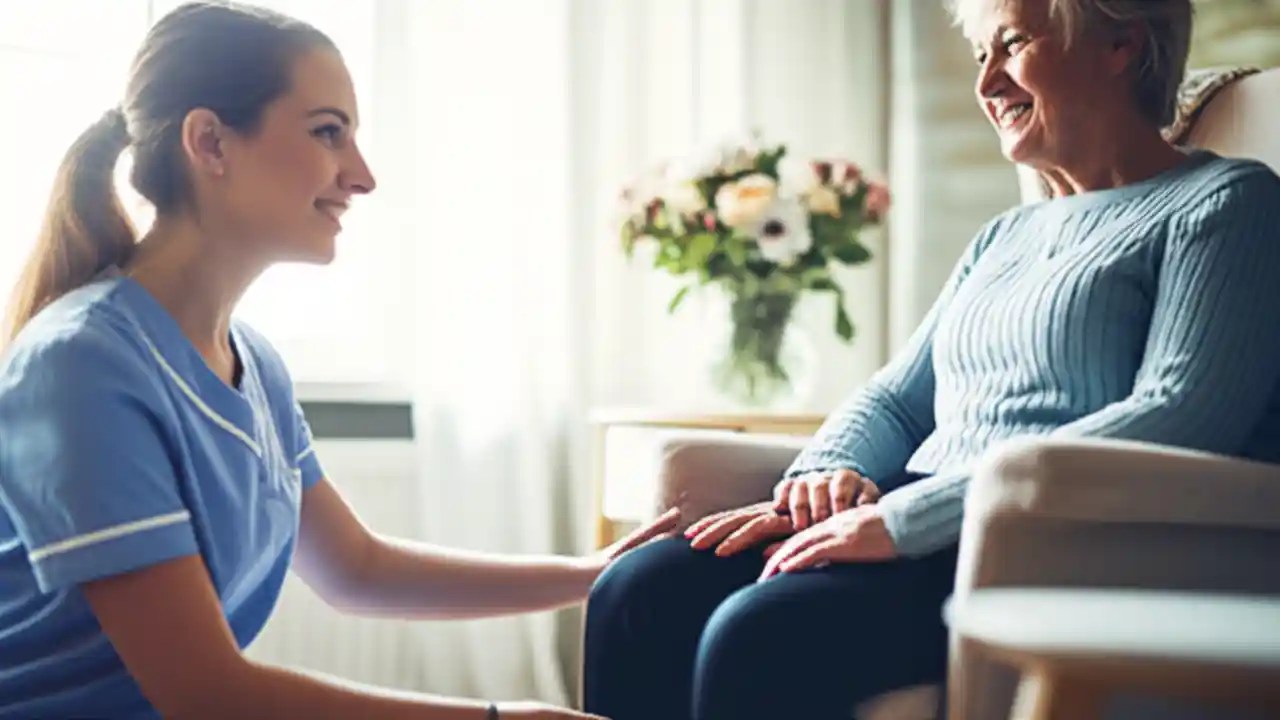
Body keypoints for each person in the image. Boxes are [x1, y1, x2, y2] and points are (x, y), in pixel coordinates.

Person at [582, 1, 1280, 718]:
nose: (988, 84)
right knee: (637, 590)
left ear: (1121, 44)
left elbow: (1182, 413)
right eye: (982, 55)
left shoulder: (1227, 204)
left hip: (1039, 550)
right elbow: (898, 397)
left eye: (1010, 45)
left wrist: (904, 520)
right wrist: (826, 472)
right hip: (912, 513)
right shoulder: (1004, 236)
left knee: (757, 635)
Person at [0, 3, 675, 719]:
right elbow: (208, 694)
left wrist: (593, 575)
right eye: (329, 133)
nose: (362, 175)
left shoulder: (252, 362)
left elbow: (356, 569)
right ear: (210, 143)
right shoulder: (81, 364)